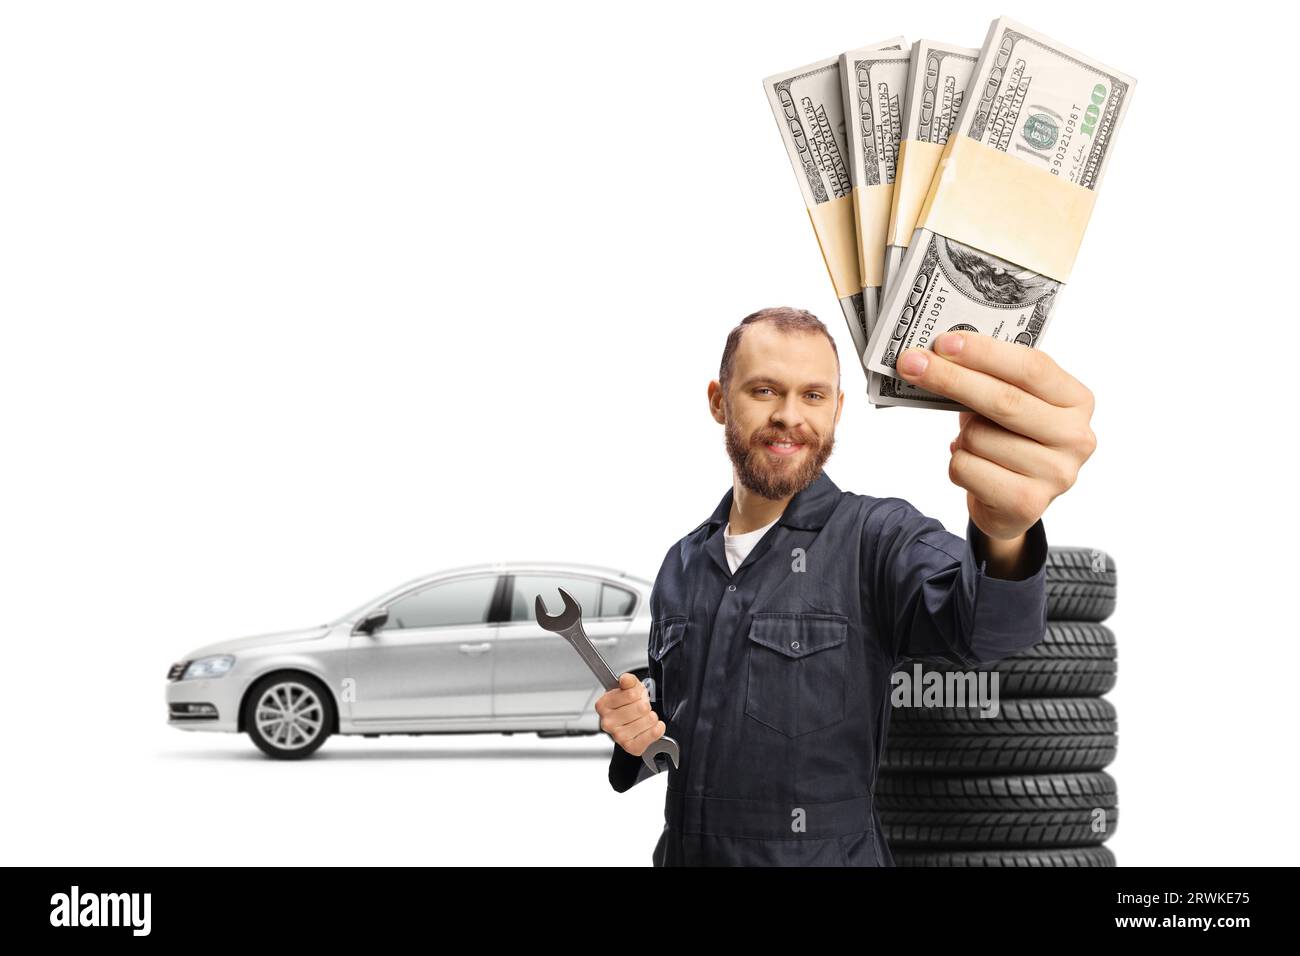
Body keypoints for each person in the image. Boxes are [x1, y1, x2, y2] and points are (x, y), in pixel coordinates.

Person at [595, 306, 1098, 866]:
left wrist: (1005, 533)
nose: (790, 416)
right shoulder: (681, 563)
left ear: (837, 409)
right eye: (764, 390)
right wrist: (635, 732)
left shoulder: (875, 539)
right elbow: (680, 727)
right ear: (719, 400)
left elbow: (987, 630)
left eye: (813, 396)